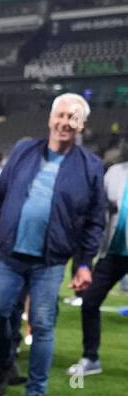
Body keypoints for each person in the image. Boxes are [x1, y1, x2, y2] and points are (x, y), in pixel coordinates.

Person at [0, 93, 106, 396]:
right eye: (61, 115)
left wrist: (84, 264)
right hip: (10, 254)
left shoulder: (91, 167)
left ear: (82, 125)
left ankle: (36, 391)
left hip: (49, 261)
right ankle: (5, 365)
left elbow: (95, 221)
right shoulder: (24, 151)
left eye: (73, 118)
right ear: (51, 118)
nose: (65, 123)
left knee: (42, 324)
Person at [68, 155, 128, 377]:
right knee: (90, 301)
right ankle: (90, 357)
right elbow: (96, 208)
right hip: (112, 250)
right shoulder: (115, 172)